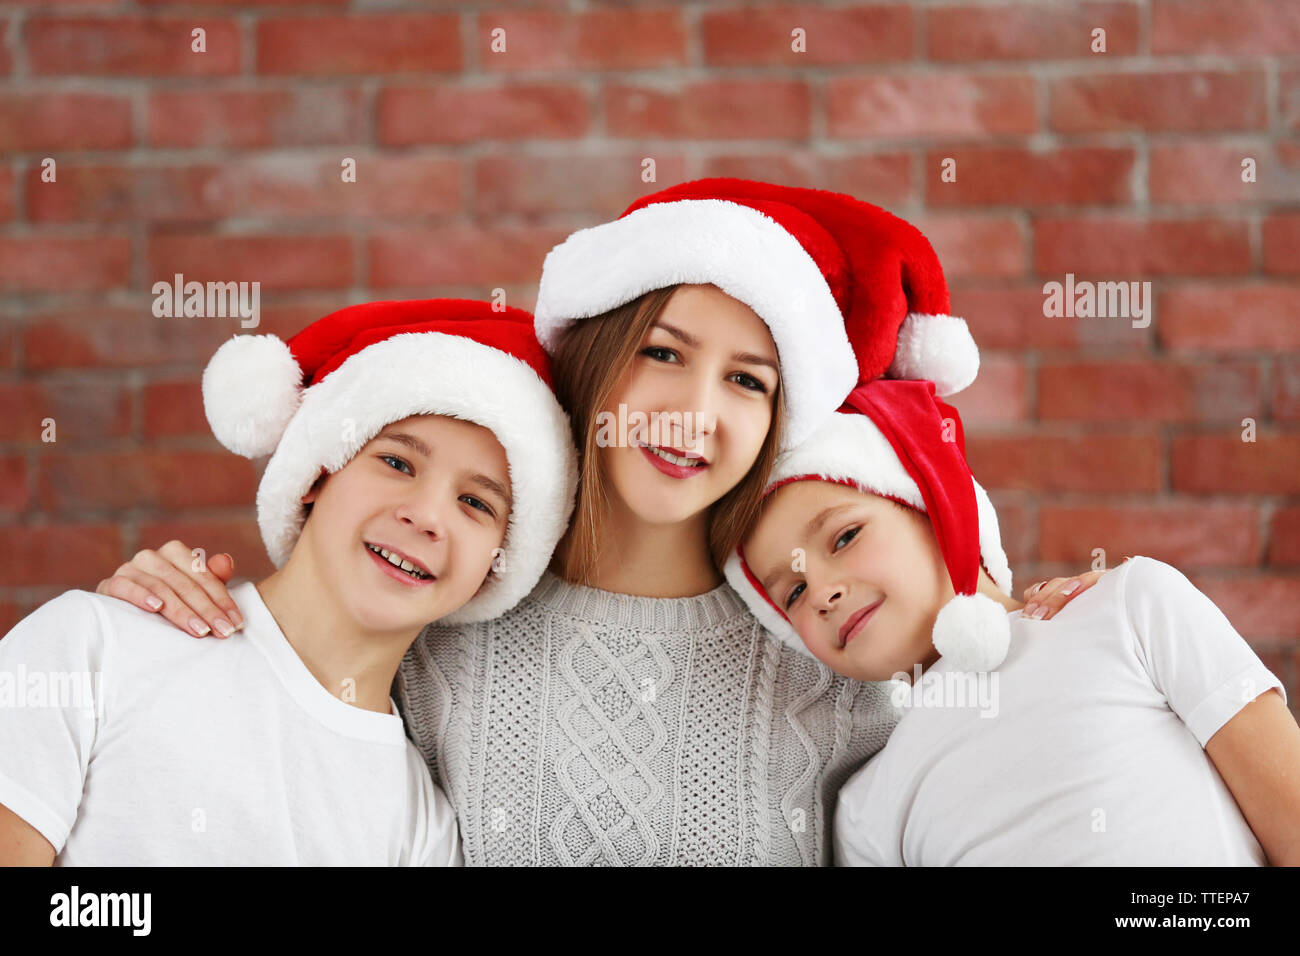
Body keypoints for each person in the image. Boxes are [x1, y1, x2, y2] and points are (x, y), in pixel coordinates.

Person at [90, 179, 1102, 865]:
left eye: (745, 379)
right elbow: (256, 722)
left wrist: (1055, 634)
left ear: (778, 419)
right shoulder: (444, 607)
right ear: (598, 356)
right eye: (662, 351)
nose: (693, 408)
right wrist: (149, 619)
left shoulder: (830, 644)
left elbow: (1033, 783)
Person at [0, 299, 578, 866]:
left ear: (495, 567)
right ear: (315, 475)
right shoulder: (91, 646)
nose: (426, 515)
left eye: (475, 503)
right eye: (397, 463)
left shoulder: (421, 831)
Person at [728, 377, 1300, 865]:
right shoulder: (863, 810)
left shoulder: (1127, 607)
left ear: (934, 502)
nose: (822, 592)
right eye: (794, 591)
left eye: (846, 536)